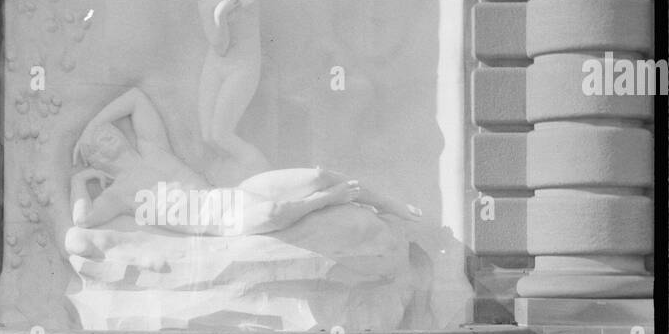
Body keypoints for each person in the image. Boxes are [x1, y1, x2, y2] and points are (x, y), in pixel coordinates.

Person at [69, 87, 420, 236]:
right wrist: (78, 181)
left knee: (317, 175)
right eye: (100, 138)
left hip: (234, 194)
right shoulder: (119, 194)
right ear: (97, 159)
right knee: (273, 213)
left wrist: (90, 123)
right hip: (223, 223)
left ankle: (385, 202)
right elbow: (83, 220)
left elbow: (135, 98)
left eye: (108, 129)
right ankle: (329, 200)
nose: (109, 132)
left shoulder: (152, 150)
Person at [195, 0, 268, 176]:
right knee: (207, 135)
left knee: (221, 134)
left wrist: (220, 16)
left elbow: (221, 43)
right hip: (215, 64)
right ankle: (234, 177)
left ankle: (267, 176)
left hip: (241, 66)